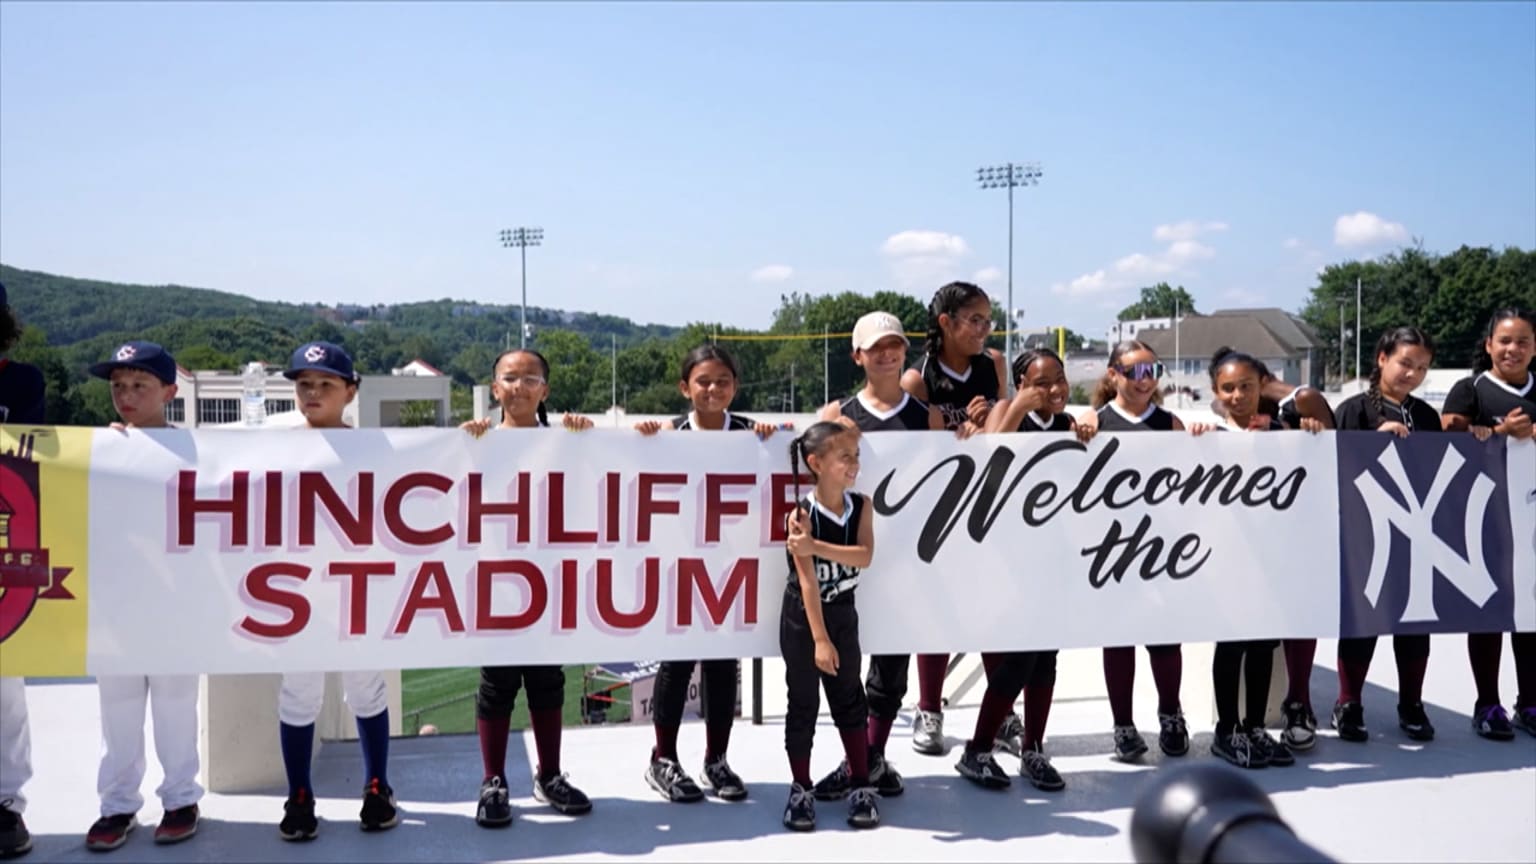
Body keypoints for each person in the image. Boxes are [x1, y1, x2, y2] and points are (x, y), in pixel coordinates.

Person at [1330, 327, 1490, 744]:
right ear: (1382, 359)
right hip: (1366, 534)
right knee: (1363, 622)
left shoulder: (1425, 416)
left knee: (1416, 623)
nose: (1412, 374)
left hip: (1418, 535)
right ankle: (1348, 702)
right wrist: (1373, 443)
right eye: (1405, 363)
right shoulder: (1351, 410)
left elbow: (1442, 471)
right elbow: (1334, 467)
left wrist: (1475, 437)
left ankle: (1411, 703)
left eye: (1421, 368)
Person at [635, 345, 779, 803]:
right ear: (685, 388)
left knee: (722, 664)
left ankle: (716, 759)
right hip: (682, 564)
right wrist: (642, 440)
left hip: (731, 567)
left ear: (736, 386)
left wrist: (774, 440)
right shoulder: (669, 434)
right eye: (703, 381)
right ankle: (663, 758)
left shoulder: (752, 434)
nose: (713, 389)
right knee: (677, 662)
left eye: (723, 381)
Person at [811, 311, 945, 802]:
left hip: (907, 559)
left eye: (895, 345)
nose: (888, 354)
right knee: (846, 665)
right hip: (849, 556)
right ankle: (861, 758)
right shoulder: (837, 413)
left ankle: (868, 757)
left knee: (890, 667)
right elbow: (807, 470)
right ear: (858, 356)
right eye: (876, 347)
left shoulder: (926, 416)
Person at [462, 349, 594, 827]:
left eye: (530, 378)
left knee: (546, 680)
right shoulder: (475, 441)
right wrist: (462, 445)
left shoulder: (567, 440)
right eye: (510, 378)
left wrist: (587, 439)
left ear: (545, 390)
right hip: (497, 579)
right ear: (495, 387)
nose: (519, 387)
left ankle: (550, 775)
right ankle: (493, 780)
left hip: (548, 579)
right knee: (496, 683)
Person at [80, 343, 203, 850]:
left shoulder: (196, 450)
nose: (126, 395)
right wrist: (109, 451)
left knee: (176, 706)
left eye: (139, 385)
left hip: (175, 602)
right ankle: (117, 805)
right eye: (118, 386)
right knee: (118, 710)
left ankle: (181, 798)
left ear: (170, 392)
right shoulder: (100, 447)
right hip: (117, 603)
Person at [273, 341, 397, 841]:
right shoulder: (270, 446)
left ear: (350, 391)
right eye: (304, 384)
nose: (313, 392)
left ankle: (377, 786)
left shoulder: (377, 447)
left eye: (326, 383)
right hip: (296, 590)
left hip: (358, 586)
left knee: (365, 686)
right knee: (299, 692)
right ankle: (299, 794)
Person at [1189, 347, 1324, 769]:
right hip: (1226, 561)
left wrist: (1310, 433)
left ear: (1261, 386)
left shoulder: (1283, 432)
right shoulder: (1207, 435)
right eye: (1228, 388)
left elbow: (1316, 464)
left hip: (1272, 559)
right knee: (1231, 645)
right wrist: (1197, 439)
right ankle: (1227, 729)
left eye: (1246, 386)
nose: (1237, 395)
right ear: (1216, 391)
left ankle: (1253, 726)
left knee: (1264, 644)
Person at [964, 347, 1081, 791]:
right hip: (1009, 559)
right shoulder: (1006, 412)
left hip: (1053, 557)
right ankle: (977, 748)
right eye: (1041, 382)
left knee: (1045, 659)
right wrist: (1016, 406)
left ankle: (1033, 748)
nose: (1053, 389)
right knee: (1018, 659)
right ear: (1021, 385)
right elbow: (991, 457)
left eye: (1059, 379)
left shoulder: (1068, 425)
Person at [898, 282, 1008, 755]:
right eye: (975, 320)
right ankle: (929, 709)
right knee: (938, 610)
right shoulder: (917, 378)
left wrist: (991, 420)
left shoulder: (993, 364)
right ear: (946, 322)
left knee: (992, 608)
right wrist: (950, 429)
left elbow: (1009, 431)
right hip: (938, 510)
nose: (984, 329)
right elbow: (911, 452)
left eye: (987, 320)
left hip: (989, 503)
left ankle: (1001, 713)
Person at [1076, 340, 1190, 762]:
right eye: (1135, 372)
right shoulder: (1094, 422)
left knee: (1165, 639)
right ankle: (1122, 724)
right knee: (1119, 639)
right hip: (1112, 550)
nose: (1145, 381)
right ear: (1113, 375)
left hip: (1160, 547)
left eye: (1152, 372)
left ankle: (1171, 713)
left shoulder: (1170, 423)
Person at [1440, 307, 1536, 740]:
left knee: (1531, 614)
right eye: (1505, 341)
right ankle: (1487, 703)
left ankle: (1529, 702)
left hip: (1531, 519)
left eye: (1522, 341)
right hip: (1485, 520)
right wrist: (1498, 433)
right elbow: (1445, 437)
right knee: (1489, 613)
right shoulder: (1471, 390)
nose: (1513, 349)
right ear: (1489, 345)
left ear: (1534, 347)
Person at [781, 421, 881, 831]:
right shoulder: (800, 515)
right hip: (805, 619)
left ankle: (860, 784)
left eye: (856, 456)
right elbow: (807, 582)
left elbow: (864, 556)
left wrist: (815, 546)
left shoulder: (862, 505)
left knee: (850, 700)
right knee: (803, 703)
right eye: (844, 457)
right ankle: (800, 788)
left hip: (843, 612)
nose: (854, 464)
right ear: (816, 463)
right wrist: (820, 640)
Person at [0, 281, 45, 860]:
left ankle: (6, 803)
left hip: (4, 541)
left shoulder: (23, 382)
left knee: (5, 684)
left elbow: (36, 457)